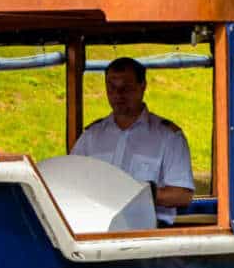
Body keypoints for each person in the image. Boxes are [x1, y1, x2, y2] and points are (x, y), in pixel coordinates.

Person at [71, 56, 196, 226]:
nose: (118, 95)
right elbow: (71, 183)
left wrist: (139, 194)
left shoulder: (169, 137)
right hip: (95, 229)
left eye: (126, 88)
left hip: (148, 235)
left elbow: (182, 195)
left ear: (142, 86)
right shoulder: (91, 136)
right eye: (112, 88)